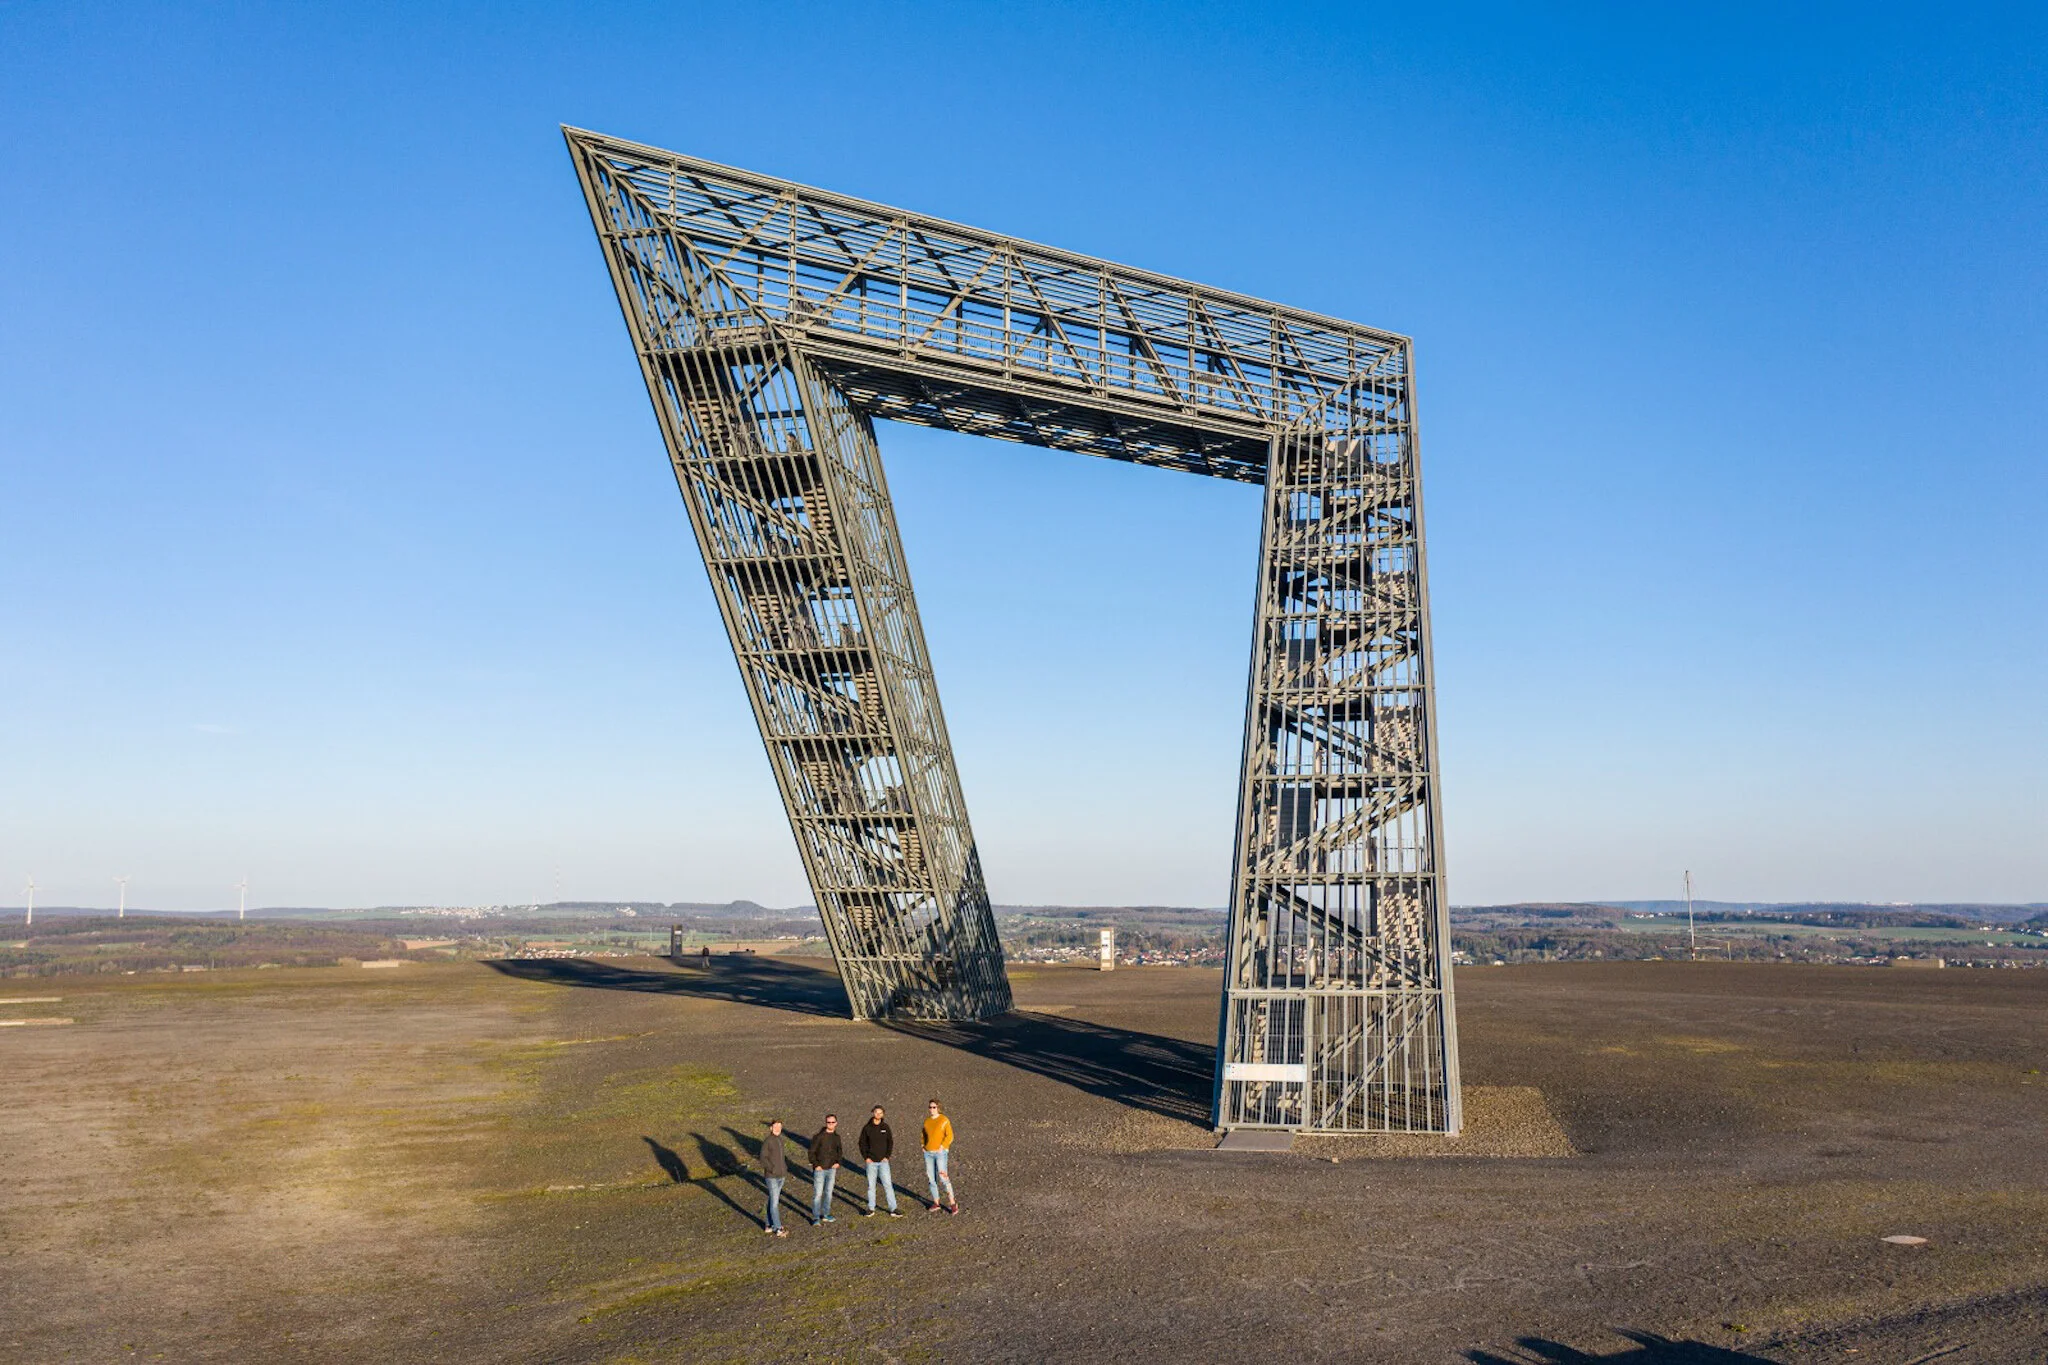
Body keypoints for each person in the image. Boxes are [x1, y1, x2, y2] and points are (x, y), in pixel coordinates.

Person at [857, 1105, 901, 1218]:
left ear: (883, 1114)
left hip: (883, 1162)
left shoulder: (885, 1127)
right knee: (871, 1186)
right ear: (873, 1113)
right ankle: (871, 1209)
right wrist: (866, 1157)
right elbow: (862, 1143)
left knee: (888, 1185)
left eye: (880, 1113)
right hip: (871, 1162)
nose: (878, 1115)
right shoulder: (867, 1128)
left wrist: (887, 1156)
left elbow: (890, 1142)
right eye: (876, 1112)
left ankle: (893, 1209)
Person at [921, 1098, 958, 1214]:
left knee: (943, 1177)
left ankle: (952, 1203)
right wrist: (922, 1145)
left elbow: (950, 1135)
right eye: (930, 1107)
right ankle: (936, 1202)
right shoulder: (927, 1121)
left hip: (940, 1153)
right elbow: (923, 1134)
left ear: (938, 1108)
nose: (931, 1109)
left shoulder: (944, 1120)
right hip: (928, 1153)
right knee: (931, 1178)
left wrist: (943, 1146)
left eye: (934, 1107)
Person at [808, 1113, 844, 1224]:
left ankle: (826, 1214)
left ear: (836, 1123)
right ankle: (816, 1217)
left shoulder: (837, 1137)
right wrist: (816, 1165)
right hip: (820, 1169)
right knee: (818, 1194)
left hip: (832, 1169)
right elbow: (811, 1152)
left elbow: (839, 1151)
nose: (831, 1124)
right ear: (826, 1123)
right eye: (829, 1122)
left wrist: (838, 1162)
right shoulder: (819, 1137)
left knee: (829, 1192)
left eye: (833, 1122)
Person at [760, 1120, 789, 1237]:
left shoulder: (780, 1140)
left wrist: (784, 1168)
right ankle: (778, 1228)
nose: (778, 1128)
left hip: (781, 1175)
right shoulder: (768, 1141)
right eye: (775, 1126)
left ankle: (768, 1225)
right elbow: (762, 1157)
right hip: (772, 1176)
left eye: (780, 1127)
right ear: (770, 1128)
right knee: (775, 1203)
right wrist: (772, 1169)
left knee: (772, 1199)